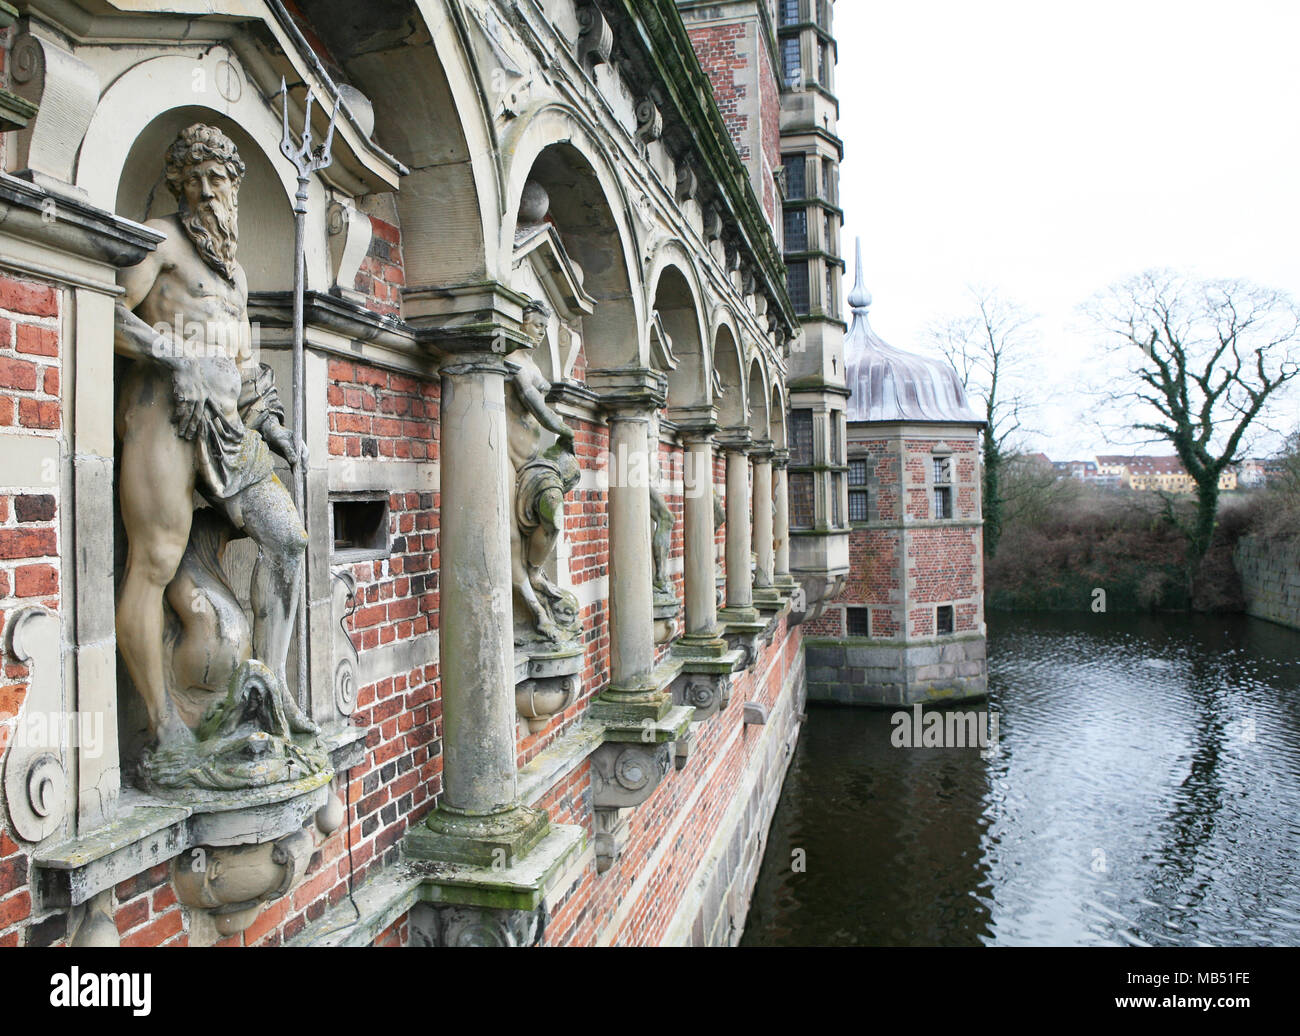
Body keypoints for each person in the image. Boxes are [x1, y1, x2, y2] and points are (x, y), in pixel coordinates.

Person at [114, 124, 315, 748]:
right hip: (166, 416)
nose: (205, 190)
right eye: (194, 179)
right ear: (178, 185)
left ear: (234, 188)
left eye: (218, 179)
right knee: (154, 562)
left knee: (288, 542)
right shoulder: (163, 241)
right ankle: (163, 724)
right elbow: (106, 312)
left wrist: (275, 426)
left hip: (232, 429)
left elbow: (246, 365)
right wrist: (178, 357)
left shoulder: (238, 275)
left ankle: (273, 686)